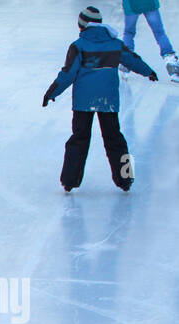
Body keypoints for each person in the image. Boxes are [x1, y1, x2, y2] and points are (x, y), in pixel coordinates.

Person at [43, 6, 158, 193]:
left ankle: (69, 181)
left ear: (82, 25)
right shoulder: (115, 44)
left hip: (83, 103)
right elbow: (132, 59)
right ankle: (126, 179)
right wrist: (149, 71)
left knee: (79, 139)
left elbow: (68, 74)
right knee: (115, 139)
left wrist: (51, 92)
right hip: (108, 100)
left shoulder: (78, 46)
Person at [121, 0, 178, 79]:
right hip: (149, 3)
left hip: (131, 5)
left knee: (129, 33)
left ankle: (126, 60)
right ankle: (170, 60)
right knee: (159, 33)